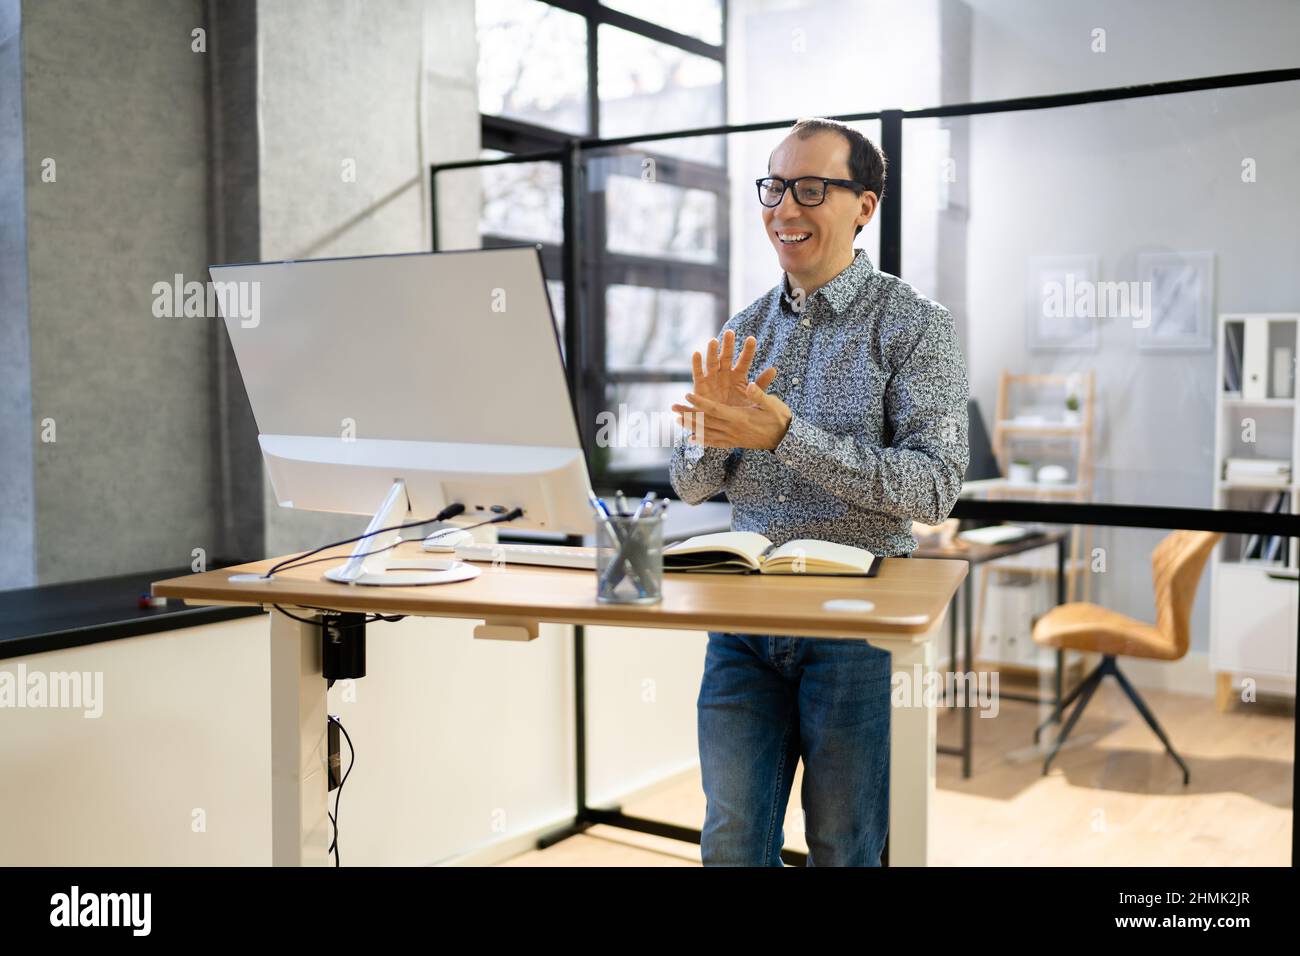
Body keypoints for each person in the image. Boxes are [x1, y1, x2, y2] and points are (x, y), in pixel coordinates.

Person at [668, 116, 970, 866]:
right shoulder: (741, 329)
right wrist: (712, 436)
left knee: (845, 847)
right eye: (774, 187)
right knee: (732, 842)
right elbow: (690, 483)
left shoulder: (915, 327)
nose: (784, 208)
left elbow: (934, 490)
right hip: (744, 625)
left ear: (864, 205)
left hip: (858, 631)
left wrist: (784, 436)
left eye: (811, 188)